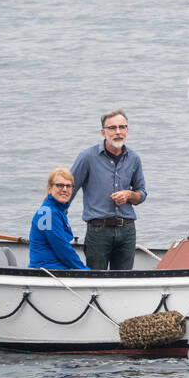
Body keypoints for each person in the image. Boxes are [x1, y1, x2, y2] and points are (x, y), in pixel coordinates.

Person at [69, 110, 147, 270]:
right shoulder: (87, 157)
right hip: (98, 231)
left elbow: (141, 193)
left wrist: (129, 194)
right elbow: (68, 189)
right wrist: (52, 217)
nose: (117, 132)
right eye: (112, 128)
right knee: (95, 282)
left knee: (123, 282)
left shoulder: (134, 158)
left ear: (127, 130)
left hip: (127, 230)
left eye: (122, 127)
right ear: (103, 132)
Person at [28, 168, 90, 270]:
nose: (65, 189)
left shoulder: (55, 210)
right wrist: (84, 270)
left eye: (68, 186)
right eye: (60, 185)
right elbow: (62, 249)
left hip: (56, 267)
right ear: (50, 189)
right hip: (49, 270)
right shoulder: (49, 213)